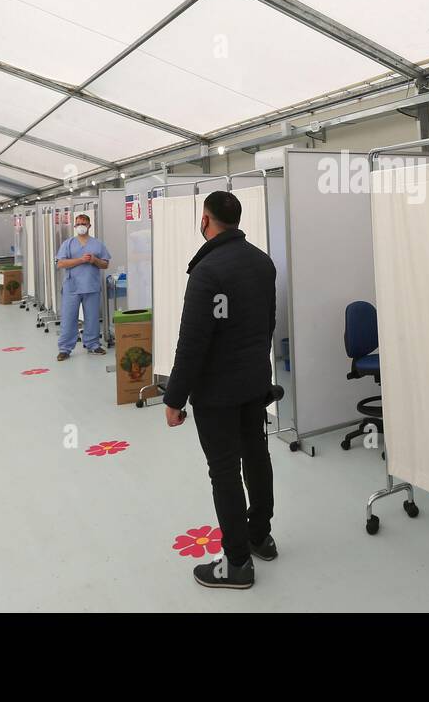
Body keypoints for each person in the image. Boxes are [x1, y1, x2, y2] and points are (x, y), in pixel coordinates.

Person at [163, 191, 277, 590]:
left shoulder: (207, 272)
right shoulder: (262, 263)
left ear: (205, 221)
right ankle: (260, 535)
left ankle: (237, 563)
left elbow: (192, 342)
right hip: (253, 384)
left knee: (224, 471)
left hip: (217, 393)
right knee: (257, 456)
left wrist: (175, 398)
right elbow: (267, 324)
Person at [55, 213, 111, 360]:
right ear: (75, 226)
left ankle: (93, 344)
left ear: (89, 226)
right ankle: (65, 348)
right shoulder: (68, 244)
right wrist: (80, 260)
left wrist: (94, 260)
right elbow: (60, 263)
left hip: (91, 286)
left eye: (84, 223)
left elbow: (105, 264)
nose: (81, 226)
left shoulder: (97, 244)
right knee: (69, 318)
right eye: (78, 223)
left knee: (92, 318)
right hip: (72, 287)